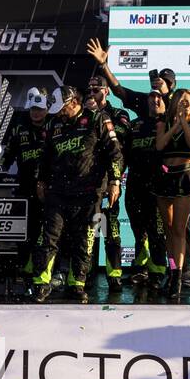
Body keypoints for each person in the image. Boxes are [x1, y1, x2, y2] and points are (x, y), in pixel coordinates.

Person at [32, 85, 123, 304]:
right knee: (49, 238)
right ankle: (41, 284)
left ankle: (77, 284)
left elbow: (115, 153)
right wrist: (41, 181)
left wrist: (115, 180)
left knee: (85, 241)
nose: (60, 113)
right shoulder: (54, 123)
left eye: (62, 108)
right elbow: (46, 156)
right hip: (58, 191)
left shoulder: (97, 119)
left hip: (89, 192)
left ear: (73, 103)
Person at [154, 88, 190, 300]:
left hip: (185, 177)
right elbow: (160, 145)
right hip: (166, 177)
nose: (185, 104)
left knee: (179, 228)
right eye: (181, 100)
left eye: (189, 101)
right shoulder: (162, 124)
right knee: (168, 228)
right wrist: (175, 123)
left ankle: (178, 277)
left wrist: (184, 121)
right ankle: (173, 267)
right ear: (174, 102)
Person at [84, 73, 131, 293]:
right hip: (86, 182)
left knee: (111, 230)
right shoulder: (83, 116)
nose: (92, 93)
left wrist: (115, 179)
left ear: (106, 91)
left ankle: (114, 276)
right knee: (88, 230)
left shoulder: (118, 114)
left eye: (96, 89)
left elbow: (119, 145)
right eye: (90, 90)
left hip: (110, 178)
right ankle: (86, 274)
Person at [2, 87, 51, 282]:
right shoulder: (19, 129)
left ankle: (42, 269)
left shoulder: (53, 128)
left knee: (46, 231)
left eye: (40, 109)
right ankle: (25, 267)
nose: (36, 113)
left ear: (47, 109)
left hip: (48, 188)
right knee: (25, 230)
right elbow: (7, 157)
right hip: (25, 186)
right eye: (33, 109)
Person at [123, 92, 170, 290]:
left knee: (157, 230)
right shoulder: (134, 124)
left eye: (159, 98)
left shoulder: (169, 123)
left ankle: (158, 271)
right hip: (134, 183)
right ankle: (141, 267)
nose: (155, 101)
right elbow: (123, 154)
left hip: (158, 185)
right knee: (138, 229)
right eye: (152, 98)